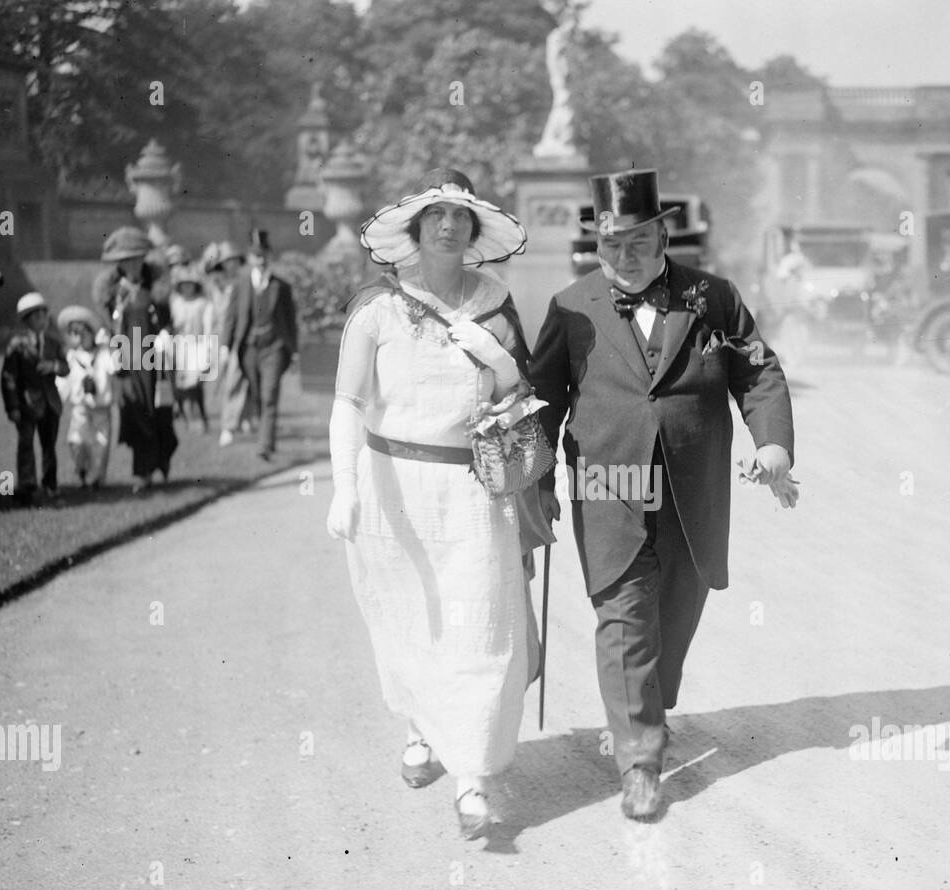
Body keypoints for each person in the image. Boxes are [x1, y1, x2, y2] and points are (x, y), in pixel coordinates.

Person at [523, 168, 795, 820]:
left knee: (677, 606)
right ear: (598, 243)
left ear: (663, 234)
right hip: (606, 488)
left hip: (692, 490)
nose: (624, 254)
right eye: (611, 242)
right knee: (624, 617)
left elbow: (757, 373)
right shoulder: (570, 307)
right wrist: (535, 478)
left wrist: (773, 444)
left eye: (637, 239)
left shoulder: (714, 298)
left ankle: (649, 703)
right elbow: (542, 402)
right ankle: (639, 759)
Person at [327, 168, 545, 840]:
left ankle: (474, 781)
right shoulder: (377, 309)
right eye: (436, 216)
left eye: (460, 217)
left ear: (475, 231)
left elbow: (522, 397)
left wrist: (496, 358)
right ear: (415, 229)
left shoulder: (498, 306)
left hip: (474, 489)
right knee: (411, 621)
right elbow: (348, 402)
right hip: (394, 490)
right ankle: (422, 730)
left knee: (481, 626)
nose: (448, 227)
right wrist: (345, 485)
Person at [93, 225, 178, 493]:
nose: (131, 265)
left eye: (136, 258)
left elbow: (168, 321)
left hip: (155, 361)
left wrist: (166, 333)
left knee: (160, 415)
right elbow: (108, 326)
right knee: (135, 414)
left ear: (144, 258)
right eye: (124, 260)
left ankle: (156, 464)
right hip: (127, 362)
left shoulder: (155, 288)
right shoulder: (112, 291)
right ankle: (141, 472)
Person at [225, 229, 298, 461]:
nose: (261, 258)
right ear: (250, 257)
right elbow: (231, 316)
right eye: (256, 254)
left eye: (264, 253)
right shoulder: (241, 283)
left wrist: (293, 351)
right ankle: (261, 433)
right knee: (256, 394)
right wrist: (226, 346)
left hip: (274, 347)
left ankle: (264, 446)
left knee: (269, 395)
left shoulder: (281, 286)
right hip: (249, 347)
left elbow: (290, 321)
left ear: (270, 255)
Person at [1, 292, 68, 504]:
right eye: (37, 316)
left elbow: (66, 367)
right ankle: (27, 485)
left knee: (50, 446)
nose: (42, 320)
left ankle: (50, 484)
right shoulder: (18, 345)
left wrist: (54, 366)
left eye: (44, 315)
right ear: (27, 320)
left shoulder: (53, 342)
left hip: (50, 402)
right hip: (27, 403)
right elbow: (9, 377)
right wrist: (12, 406)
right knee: (26, 444)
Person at [57, 305, 115, 490]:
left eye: (83, 332)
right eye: (74, 333)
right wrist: (59, 398)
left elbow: (116, 367)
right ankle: (82, 469)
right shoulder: (72, 357)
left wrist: (110, 345)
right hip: (80, 407)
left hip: (100, 407)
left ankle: (95, 479)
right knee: (76, 440)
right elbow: (63, 381)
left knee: (101, 443)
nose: (80, 337)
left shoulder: (103, 354)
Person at [203, 240, 255, 446]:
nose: (230, 264)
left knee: (245, 378)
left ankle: (244, 418)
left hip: (241, 334)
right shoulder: (216, 282)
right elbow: (205, 267)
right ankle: (229, 425)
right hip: (221, 335)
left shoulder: (245, 278)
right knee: (230, 379)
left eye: (233, 260)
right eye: (226, 261)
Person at [169, 265, 214, 433]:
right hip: (180, 347)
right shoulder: (176, 303)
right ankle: (188, 417)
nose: (187, 287)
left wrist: (208, 347)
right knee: (181, 386)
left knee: (195, 385)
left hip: (197, 347)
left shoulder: (203, 303)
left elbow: (208, 326)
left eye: (190, 284)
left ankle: (202, 416)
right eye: (184, 284)